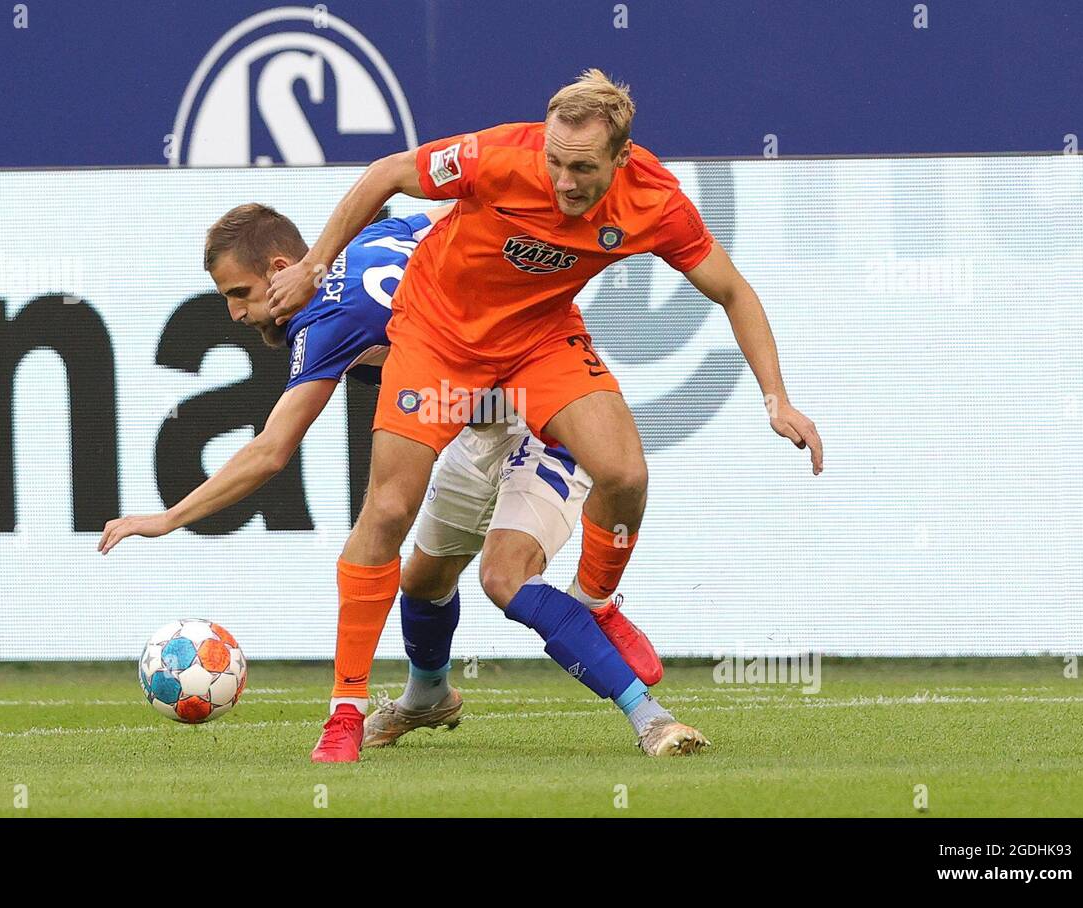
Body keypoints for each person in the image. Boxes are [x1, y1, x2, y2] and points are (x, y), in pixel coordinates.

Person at [268, 69, 823, 762]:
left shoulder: (655, 201)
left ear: (621, 159)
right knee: (386, 511)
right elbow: (387, 173)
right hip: (438, 336)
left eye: (582, 167)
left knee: (624, 471)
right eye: (555, 162)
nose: (562, 180)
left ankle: (594, 602)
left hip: (538, 340)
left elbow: (733, 292)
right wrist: (317, 265)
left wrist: (777, 398)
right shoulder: (499, 155)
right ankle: (345, 713)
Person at [98, 200, 666, 761]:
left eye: (238, 294)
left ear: (279, 271)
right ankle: (428, 696)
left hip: (543, 415)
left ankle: (648, 713)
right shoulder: (373, 238)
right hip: (477, 421)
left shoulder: (327, 321)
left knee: (503, 575)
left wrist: (168, 518)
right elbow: (448, 218)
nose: (235, 314)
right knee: (421, 582)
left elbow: (271, 451)